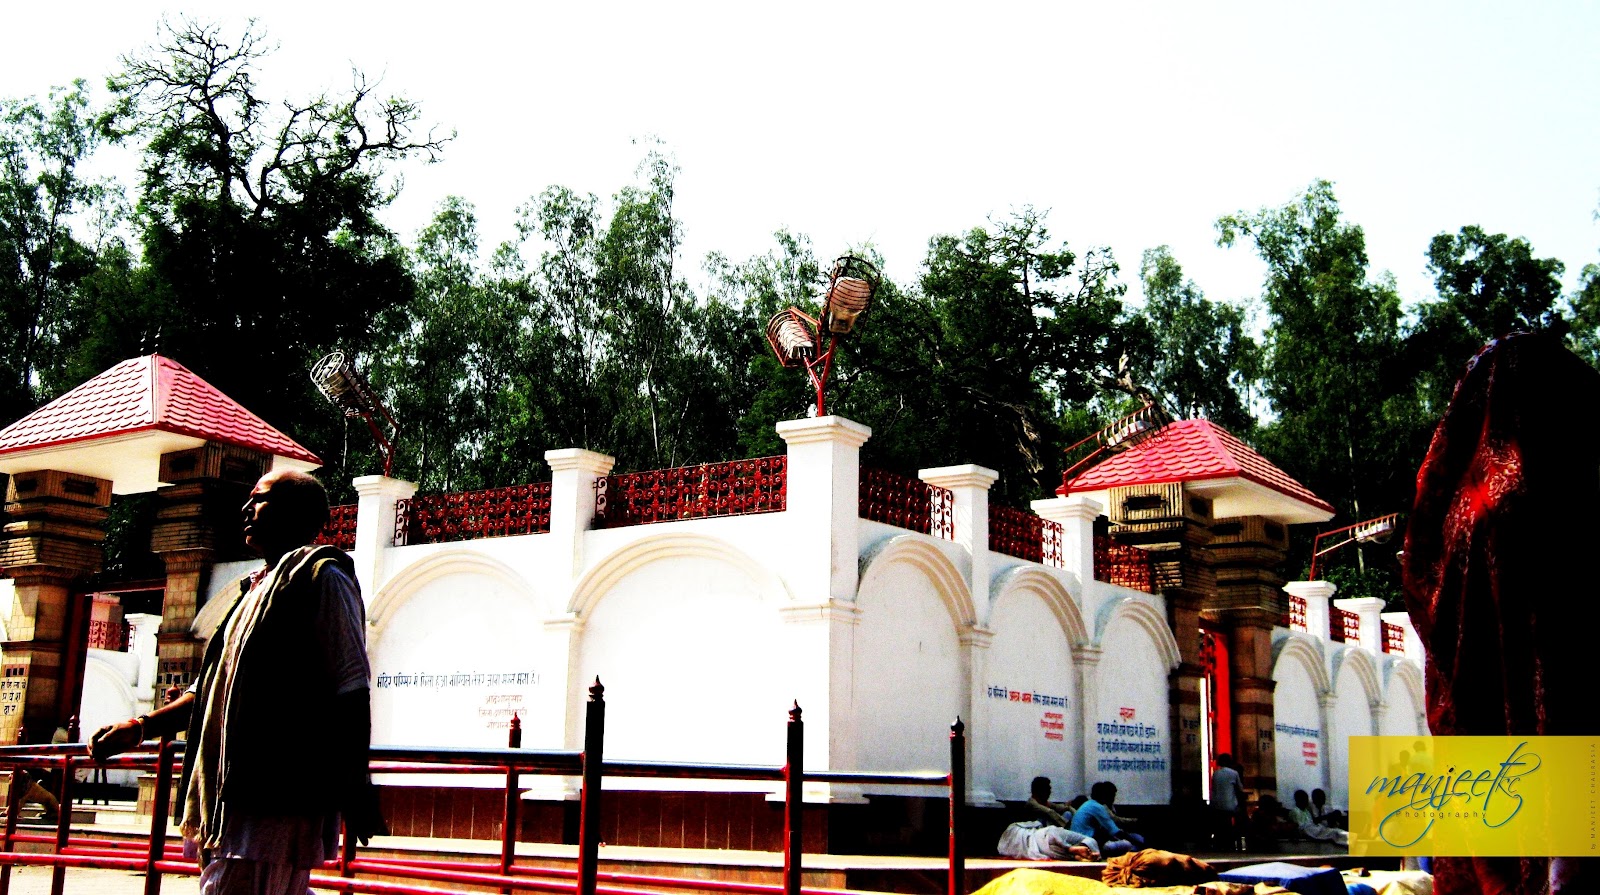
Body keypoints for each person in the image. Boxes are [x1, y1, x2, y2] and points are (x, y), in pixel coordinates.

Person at [88, 470, 385, 895]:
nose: (246, 509)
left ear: (295, 513)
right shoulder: (252, 590)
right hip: (225, 796)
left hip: (274, 795)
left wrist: (356, 784)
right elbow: (207, 691)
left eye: (259, 500)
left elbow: (351, 686)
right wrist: (140, 728)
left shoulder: (323, 579)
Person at [1068, 781, 1144, 857]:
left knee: (1133, 838)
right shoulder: (1098, 807)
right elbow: (1116, 831)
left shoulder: (1088, 804)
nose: (1113, 799)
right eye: (1112, 796)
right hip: (1088, 845)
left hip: (1080, 842)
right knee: (1129, 844)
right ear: (1105, 795)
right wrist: (1138, 843)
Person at [996, 820, 1100, 861]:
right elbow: (1037, 824)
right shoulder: (1013, 826)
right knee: (1051, 835)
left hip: (1042, 849)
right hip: (1044, 837)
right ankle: (1072, 851)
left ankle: (1073, 852)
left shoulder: (1002, 847)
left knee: (1057, 846)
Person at [1207, 754, 1244, 850]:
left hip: (1217, 805)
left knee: (1220, 824)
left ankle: (1220, 844)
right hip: (1231, 805)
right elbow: (1240, 789)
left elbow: (1214, 789)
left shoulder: (1216, 773)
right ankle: (1234, 843)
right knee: (1234, 822)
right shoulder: (1234, 773)